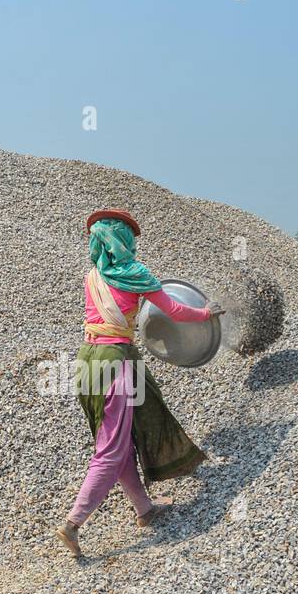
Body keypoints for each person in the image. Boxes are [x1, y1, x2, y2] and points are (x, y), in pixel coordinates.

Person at [56, 210, 220, 558]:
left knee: (116, 438)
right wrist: (206, 314)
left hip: (87, 359)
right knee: (110, 450)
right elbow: (174, 311)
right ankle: (73, 523)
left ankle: (144, 510)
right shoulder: (136, 274)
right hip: (114, 361)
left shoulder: (92, 276)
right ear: (124, 241)